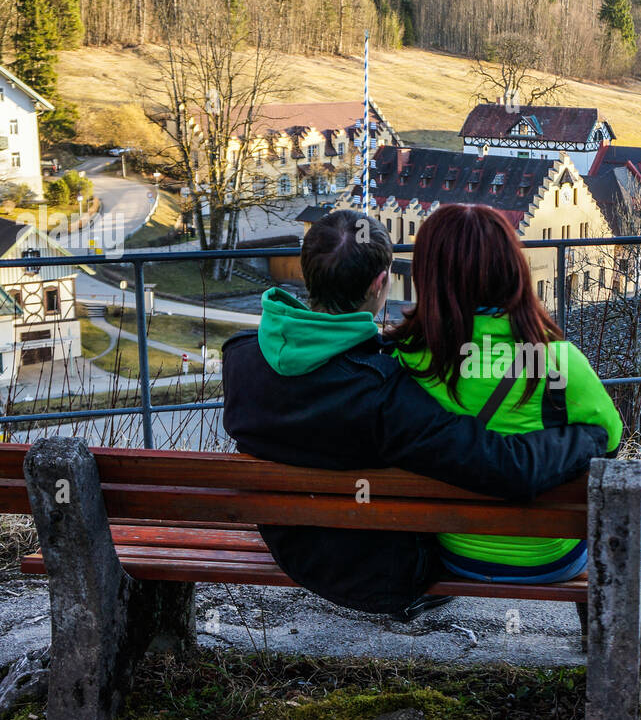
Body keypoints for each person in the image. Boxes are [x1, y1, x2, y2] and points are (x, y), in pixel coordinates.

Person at [221, 210, 609, 619]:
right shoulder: (385, 392)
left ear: (307, 273)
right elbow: (504, 468)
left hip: (290, 548)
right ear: (380, 283)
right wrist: (587, 438)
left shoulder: (241, 358)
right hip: (380, 572)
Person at [387, 204, 623, 584]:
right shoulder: (557, 361)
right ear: (513, 266)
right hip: (549, 559)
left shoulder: (405, 359)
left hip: (455, 552)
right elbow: (611, 441)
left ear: (426, 272)